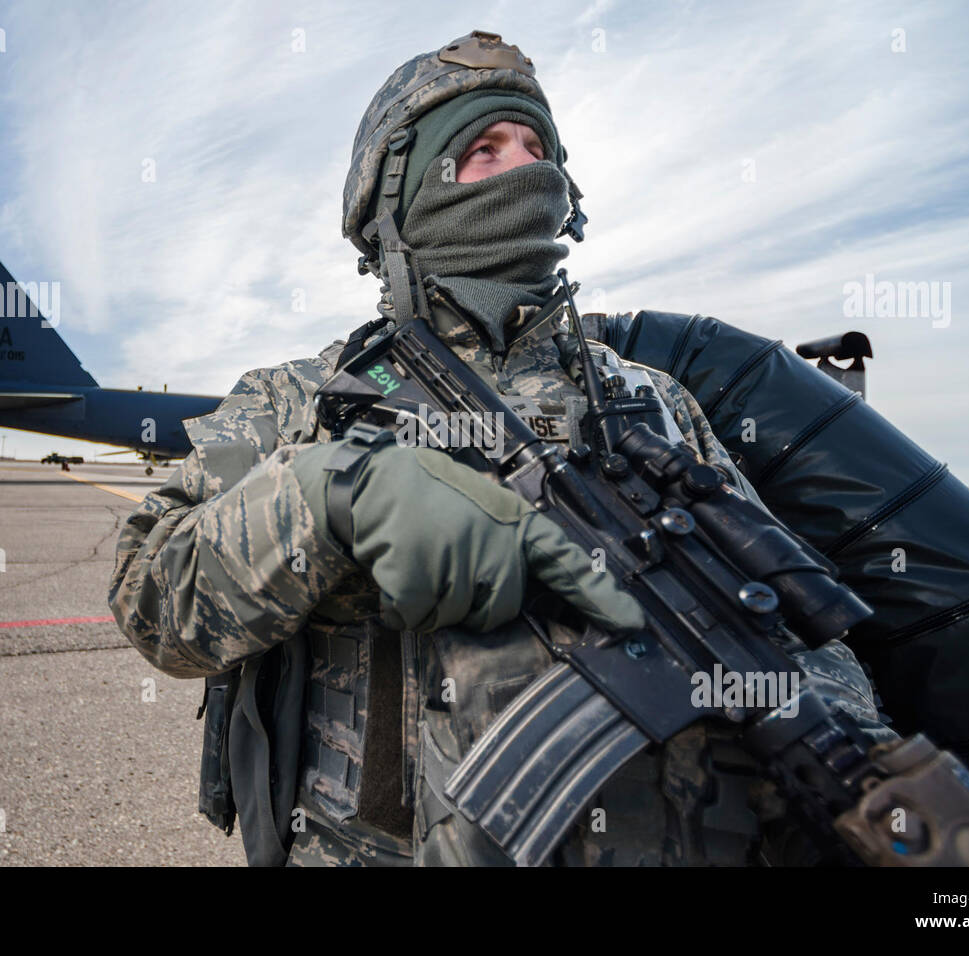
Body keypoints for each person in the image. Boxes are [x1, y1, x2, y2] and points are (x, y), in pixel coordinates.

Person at [109, 30, 894, 866]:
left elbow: (789, 620)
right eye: (484, 150)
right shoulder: (302, 400)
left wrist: (843, 745)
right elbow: (153, 599)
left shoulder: (650, 400)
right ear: (400, 198)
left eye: (539, 149)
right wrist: (325, 498)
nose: (527, 171)